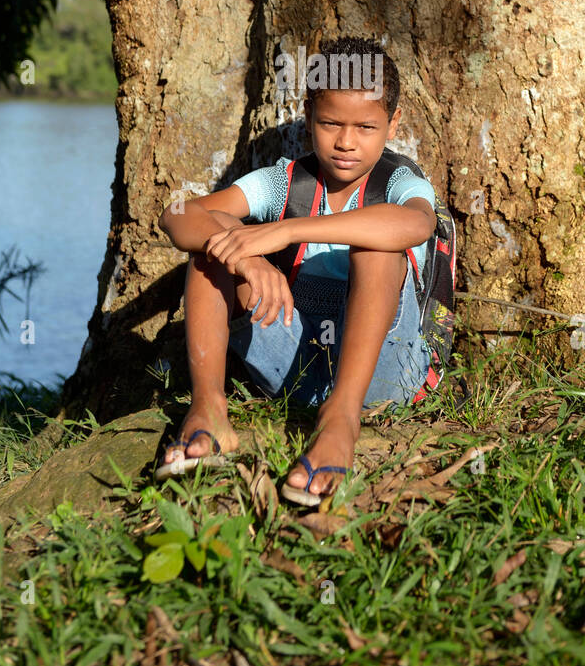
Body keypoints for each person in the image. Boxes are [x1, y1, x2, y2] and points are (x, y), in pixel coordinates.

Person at [156, 36, 439, 505]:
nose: (346, 142)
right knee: (215, 239)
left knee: (377, 244)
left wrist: (286, 232)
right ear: (308, 116)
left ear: (394, 122)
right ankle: (209, 410)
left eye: (366, 127)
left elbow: (415, 224)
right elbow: (177, 214)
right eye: (330, 123)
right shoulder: (286, 182)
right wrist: (245, 257)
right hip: (293, 364)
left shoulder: (399, 183)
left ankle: (340, 421)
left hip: (383, 374)